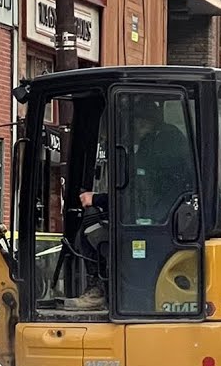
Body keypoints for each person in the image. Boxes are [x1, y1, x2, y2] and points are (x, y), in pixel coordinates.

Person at [65, 99, 191, 311]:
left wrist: (96, 199)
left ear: (147, 122)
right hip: (162, 217)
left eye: (140, 125)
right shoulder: (167, 140)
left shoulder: (158, 145)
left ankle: (99, 291)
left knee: (89, 233)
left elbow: (136, 190)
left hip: (156, 222)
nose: (137, 131)